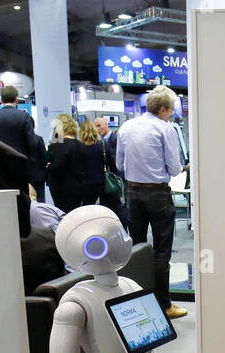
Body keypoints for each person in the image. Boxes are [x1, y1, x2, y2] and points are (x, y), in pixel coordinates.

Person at [116, 86, 186, 319]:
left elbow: (119, 164)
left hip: (132, 193)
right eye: (171, 110)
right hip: (158, 194)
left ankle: (137, 303)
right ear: (164, 109)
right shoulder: (166, 129)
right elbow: (175, 168)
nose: (171, 114)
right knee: (161, 252)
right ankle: (164, 305)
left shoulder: (126, 127)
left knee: (136, 249)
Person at [0, 85, 42, 192]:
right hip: (20, 166)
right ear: (16, 99)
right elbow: (32, 144)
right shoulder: (24, 116)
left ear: (1, 100)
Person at [45, 114, 93, 213]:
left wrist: (48, 167)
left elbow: (57, 167)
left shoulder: (60, 145)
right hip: (80, 187)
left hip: (62, 189)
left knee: (63, 214)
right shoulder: (81, 145)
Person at [78, 115, 106, 208]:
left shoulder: (79, 147)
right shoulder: (100, 145)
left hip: (85, 183)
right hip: (99, 182)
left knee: (85, 207)